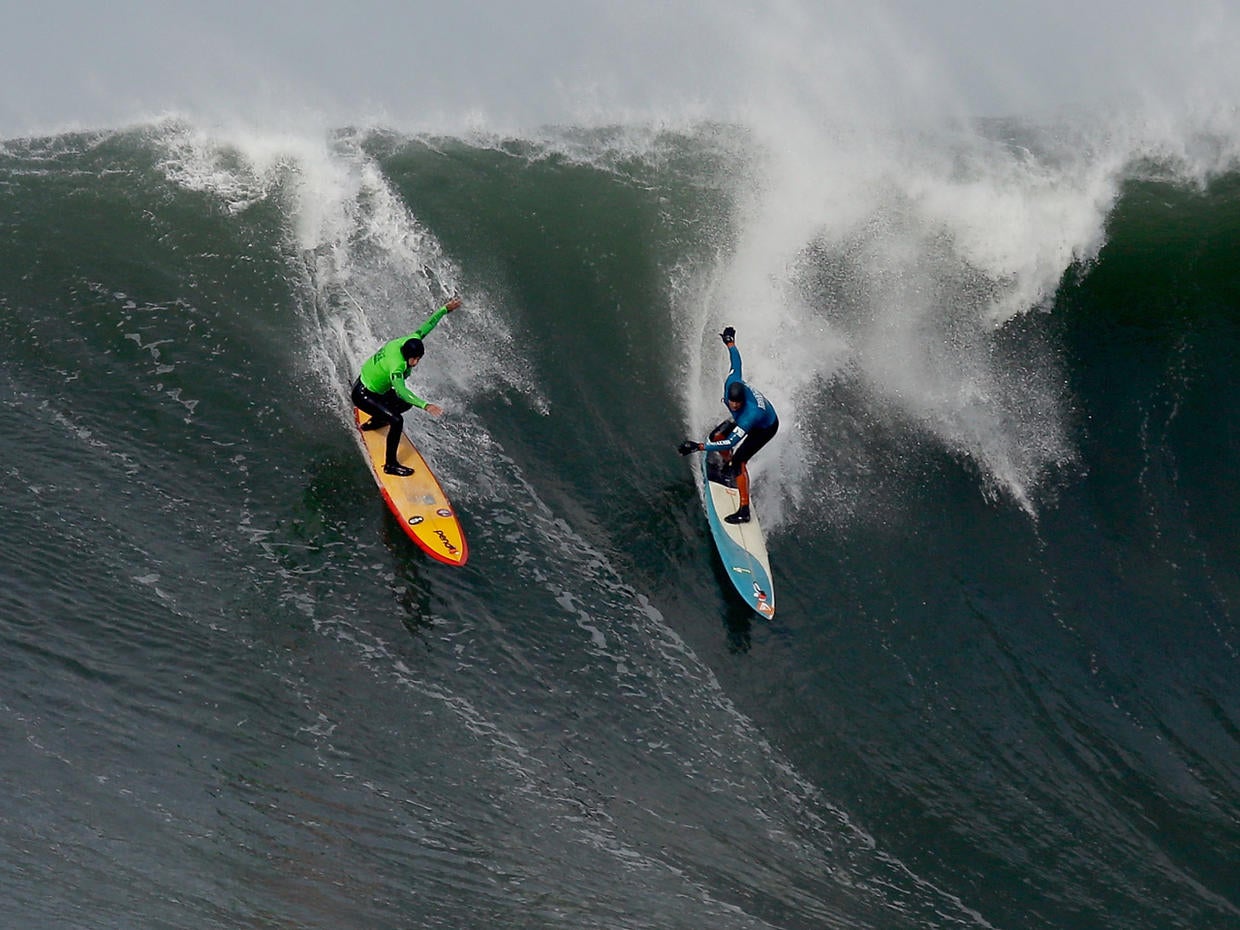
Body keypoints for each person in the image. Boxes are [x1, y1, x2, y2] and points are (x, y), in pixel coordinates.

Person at [352, 295, 463, 476]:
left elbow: (425, 328)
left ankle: (377, 420)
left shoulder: (407, 342)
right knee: (397, 420)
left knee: (405, 404)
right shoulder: (397, 365)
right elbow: (402, 391)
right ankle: (391, 465)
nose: (417, 362)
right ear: (409, 357)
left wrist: (444, 310)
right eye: (415, 359)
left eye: (419, 358)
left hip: (372, 387)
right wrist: (426, 405)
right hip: (363, 395)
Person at [678, 325, 779, 523]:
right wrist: (730, 342)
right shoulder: (733, 380)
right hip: (750, 417)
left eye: (736, 404)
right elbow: (736, 361)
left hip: (765, 427)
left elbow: (730, 443)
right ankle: (728, 464)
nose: (732, 405)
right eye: (730, 402)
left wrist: (698, 446)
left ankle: (744, 511)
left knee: (739, 461)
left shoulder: (750, 414)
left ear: (741, 401)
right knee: (717, 436)